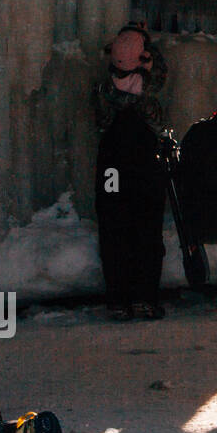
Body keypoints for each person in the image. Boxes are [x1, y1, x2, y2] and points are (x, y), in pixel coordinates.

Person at [92, 22, 169, 321]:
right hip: (144, 168)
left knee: (115, 232)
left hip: (113, 169)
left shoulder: (103, 90)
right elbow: (159, 78)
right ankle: (144, 298)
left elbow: (100, 122)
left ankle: (119, 299)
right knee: (147, 232)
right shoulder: (148, 91)